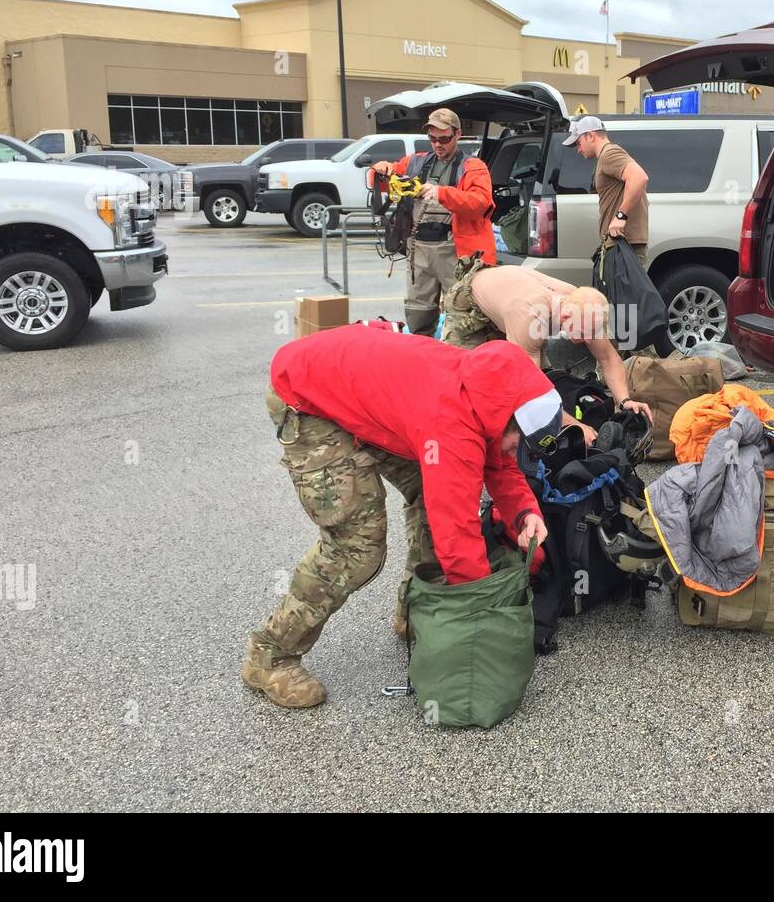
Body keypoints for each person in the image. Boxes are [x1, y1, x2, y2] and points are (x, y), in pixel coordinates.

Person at [242, 324, 561, 708]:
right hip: (305, 398)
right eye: (518, 444)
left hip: (358, 391)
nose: (515, 455)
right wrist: (481, 615)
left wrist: (526, 513)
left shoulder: (490, 391)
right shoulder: (450, 427)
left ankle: (417, 611)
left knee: (433, 493)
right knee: (356, 547)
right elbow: (456, 535)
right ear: (507, 417)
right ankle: (270, 655)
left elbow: (501, 460)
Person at [441, 255, 654, 443]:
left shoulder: (584, 308)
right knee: (462, 380)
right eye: (582, 334)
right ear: (564, 318)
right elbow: (530, 391)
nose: (588, 340)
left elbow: (608, 358)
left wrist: (625, 401)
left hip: (512, 299)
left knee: (548, 379)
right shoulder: (529, 316)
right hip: (471, 300)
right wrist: (574, 426)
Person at [370, 108, 495, 336]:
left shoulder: (473, 167)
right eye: (433, 139)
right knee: (418, 312)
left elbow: (481, 203)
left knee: (464, 317)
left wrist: (441, 193)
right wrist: (379, 169)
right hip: (419, 250)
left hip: (456, 253)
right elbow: (383, 179)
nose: (438, 144)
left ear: (457, 135)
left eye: (444, 139)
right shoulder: (414, 164)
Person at [563, 115, 650, 267]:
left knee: (624, 292)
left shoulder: (609, 154)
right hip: (620, 245)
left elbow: (639, 177)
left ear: (590, 135)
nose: (578, 149)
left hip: (625, 246)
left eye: (578, 143)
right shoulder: (605, 157)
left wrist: (620, 216)